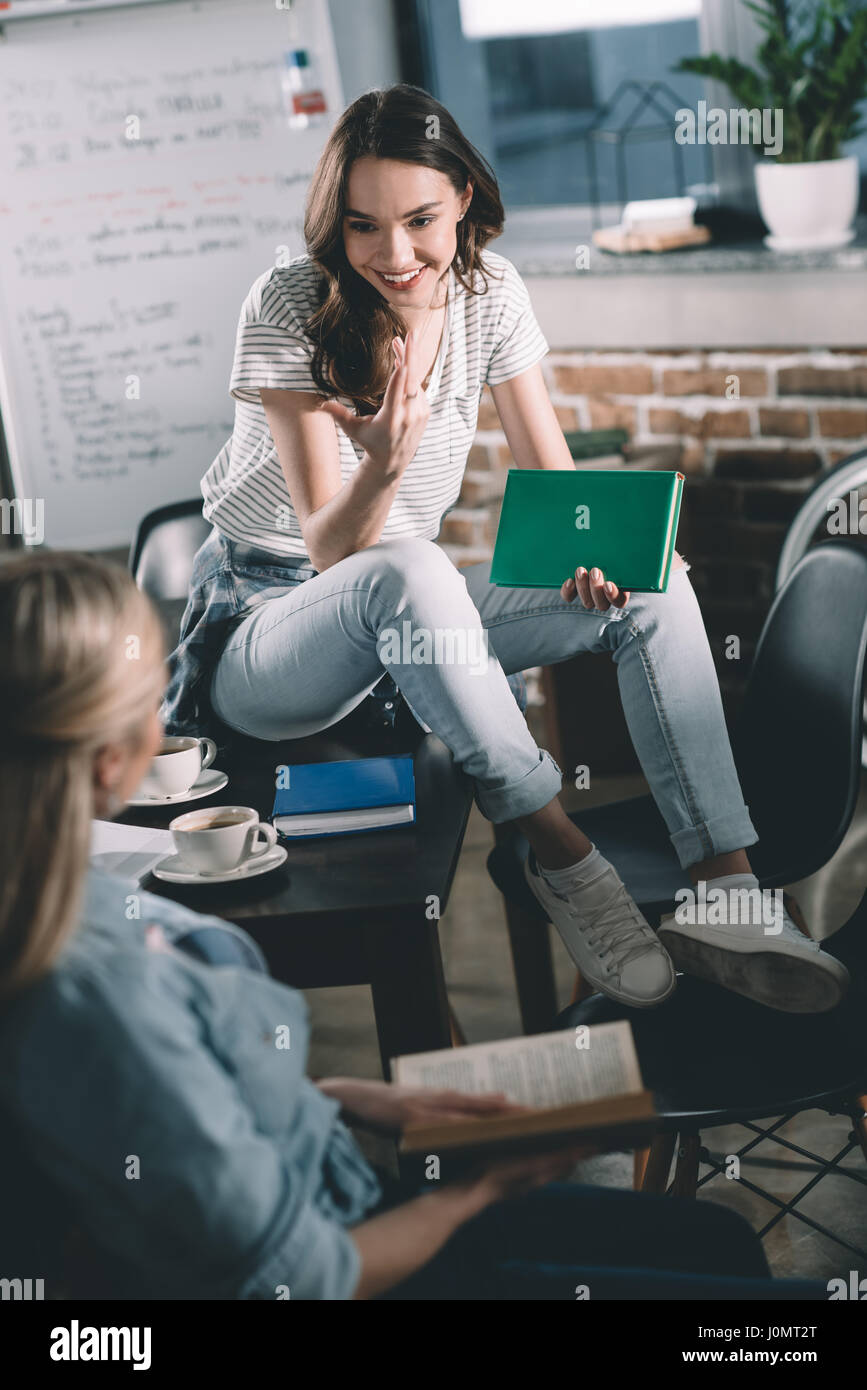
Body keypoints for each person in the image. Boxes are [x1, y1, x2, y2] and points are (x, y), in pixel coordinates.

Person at [160, 82, 847, 1016]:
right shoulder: (289, 305)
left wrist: (604, 553)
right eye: (362, 226)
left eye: (419, 220)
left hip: (414, 619)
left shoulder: (493, 294)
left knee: (649, 585)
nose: (393, 254)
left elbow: (557, 492)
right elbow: (334, 550)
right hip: (272, 629)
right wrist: (386, 464)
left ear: (465, 201)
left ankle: (723, 893)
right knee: (406, 563)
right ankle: (565, 862)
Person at [0, 550, 825, 1301]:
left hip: (334, 1185)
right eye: (153, 698)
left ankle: (723, 890)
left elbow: (161, 1114)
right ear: (115, 758)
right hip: (361, 1250)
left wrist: (349, 1098)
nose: (167, 716)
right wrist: (481, 1189)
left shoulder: (65, 896)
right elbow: (305, 1276)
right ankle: (566, 860)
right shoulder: (97, 973)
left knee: (715, 1237)